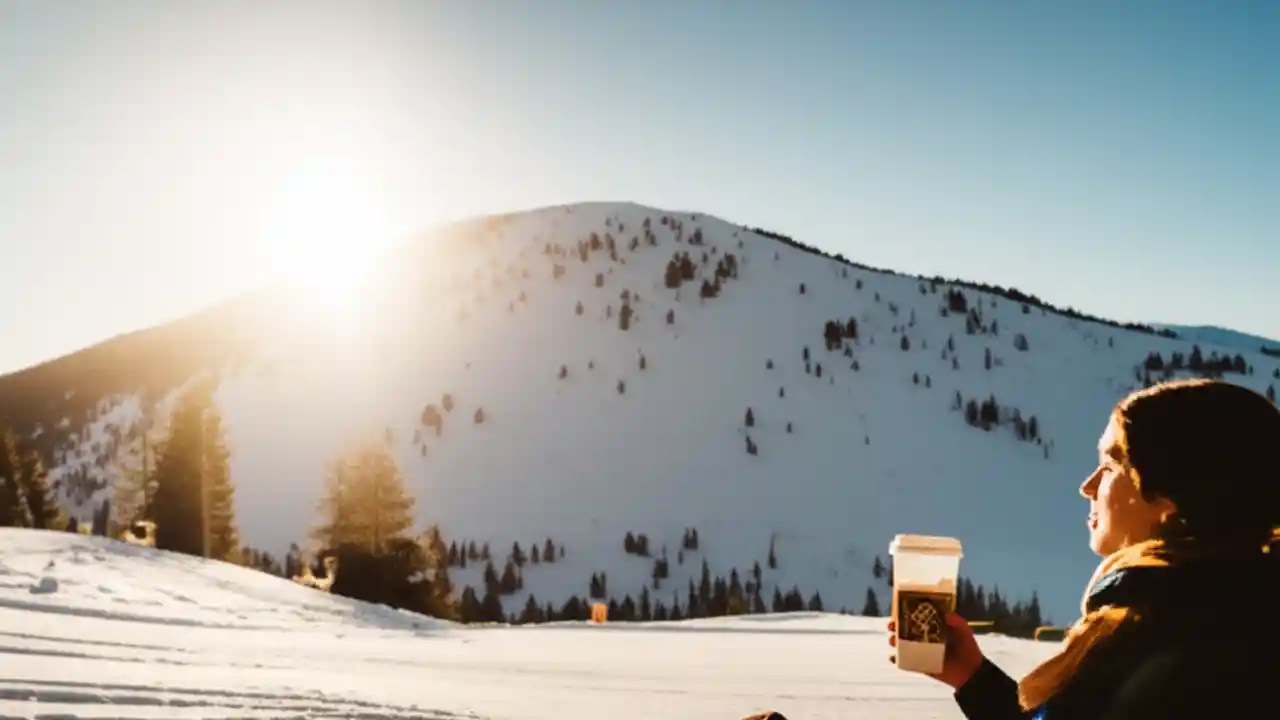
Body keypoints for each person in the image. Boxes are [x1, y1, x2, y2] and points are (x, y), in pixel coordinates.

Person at [888, 378, 1279, 718]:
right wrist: (972, 677)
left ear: (1169, 497)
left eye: (1111, 465)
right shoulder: (1226, 614)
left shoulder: (1178, 647)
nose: (1088, 486)